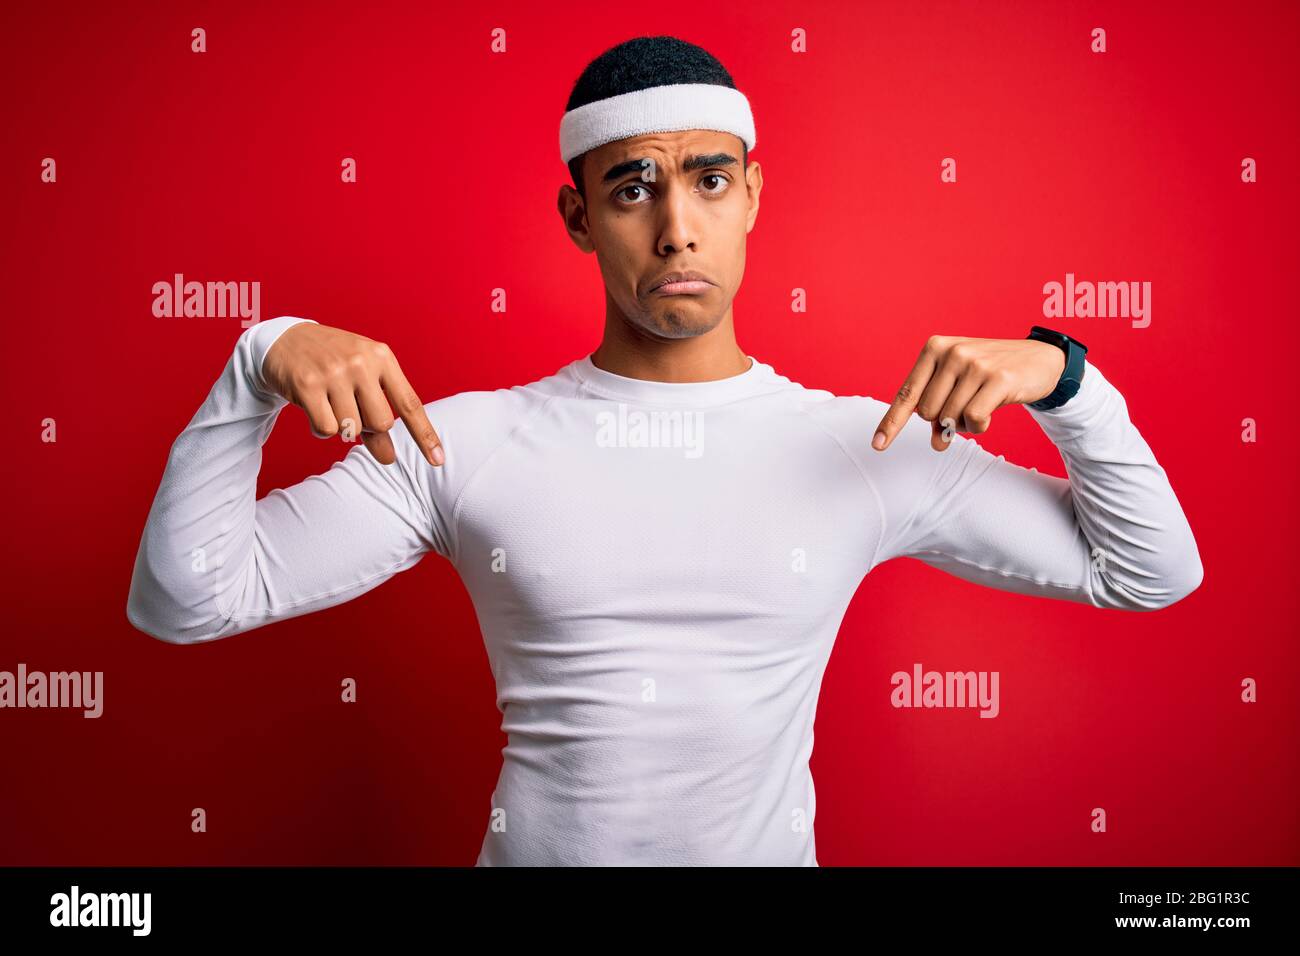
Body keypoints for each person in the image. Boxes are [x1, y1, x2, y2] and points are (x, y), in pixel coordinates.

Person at [126, 35, 1203, 866]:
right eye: (633, 187)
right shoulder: (463, 440)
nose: (676, 227)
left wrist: (1066, 382)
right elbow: (190, 597)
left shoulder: (861, 444)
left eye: (709, 179)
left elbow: (1149, 569)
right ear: (579, 216)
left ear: (752, 198)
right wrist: (257, 361)